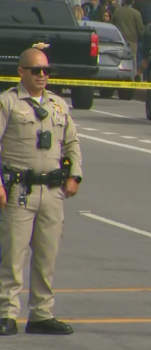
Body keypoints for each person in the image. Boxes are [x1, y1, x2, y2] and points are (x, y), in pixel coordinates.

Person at [0, 49, 82, 336]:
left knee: (47, 255)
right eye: (36, 70)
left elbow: (72, 144)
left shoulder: (59, 105)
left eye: (47, 70)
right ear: (21, 71)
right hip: (19, 190)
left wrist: (75, 176)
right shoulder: (7, 102)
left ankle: (41, 313)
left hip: (52, 191)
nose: (43, 75)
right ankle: (6, 313)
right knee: (13, 255)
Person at [110, 0, 145, 79]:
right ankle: (133, 76)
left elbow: (112, 24)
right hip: (132, 40)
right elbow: (140, 28)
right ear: (132, 2)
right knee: (133, 58)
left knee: (118, 57)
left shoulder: (117, 11)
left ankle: (118, 75)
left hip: (119, 39)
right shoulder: (136, 13)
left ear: (124, 1)